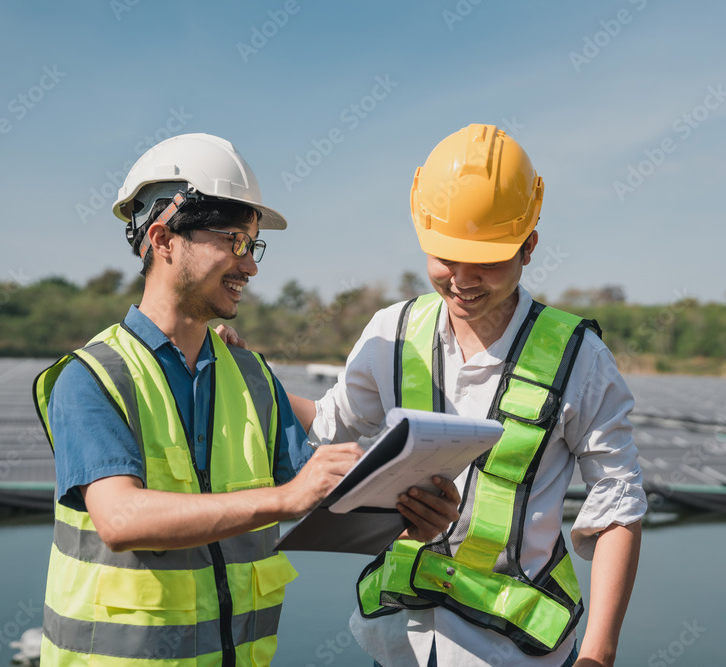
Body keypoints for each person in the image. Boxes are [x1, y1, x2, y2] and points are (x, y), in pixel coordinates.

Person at [32, 133, 456, 667]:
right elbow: (120, 519)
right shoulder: (93, 377)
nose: (250, 266)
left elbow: (324, 499)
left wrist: (404, 515)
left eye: (251, 245)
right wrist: (283, 498)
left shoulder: (252, 377)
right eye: (232, 239)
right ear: (163, 240)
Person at [255, 124, 646, 666]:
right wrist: (250, 370)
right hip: (399, 643)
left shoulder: (579, 358)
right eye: (445, 257)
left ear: (528, 245)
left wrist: (598, 655)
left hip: (518, 650)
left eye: (485, 260)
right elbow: (328, 424)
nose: (462, 279)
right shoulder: (390, 333)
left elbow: (617, 509)